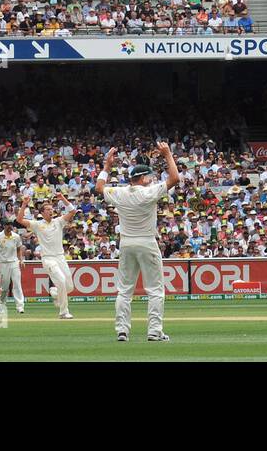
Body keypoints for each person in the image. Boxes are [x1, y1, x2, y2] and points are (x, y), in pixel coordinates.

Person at [96, 142, 179, 342]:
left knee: (124, 290)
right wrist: (167, 154)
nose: (151, 180)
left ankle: (122, 331)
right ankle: (154, 331)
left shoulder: (120, 193)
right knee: (155, 290)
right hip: (147, 242)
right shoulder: (147, 192)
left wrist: (107, 167)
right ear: (141, 179)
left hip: (126, 244)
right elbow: (175, 178)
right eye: (149, 177)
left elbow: (99, 187)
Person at [17, 199, 76, 319]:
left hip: (60, 257)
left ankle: (54, 291)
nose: (51, 211)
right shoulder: (37, 224)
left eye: (52, 209)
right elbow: (19, 220)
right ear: (42, 213)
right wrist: (23, 205)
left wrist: (62, 198)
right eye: (48, 209)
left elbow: (73, 211)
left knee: (69, 287)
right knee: (61, 281)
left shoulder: (58, 221)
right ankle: (63, 312)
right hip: (48, 259)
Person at [0, 219, 25, 313]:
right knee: (4, 287)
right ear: (3, 225)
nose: (9, 226)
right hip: (3, 263)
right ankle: (2, 304)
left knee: (17, 284)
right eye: (7, 225)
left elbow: (19, 249)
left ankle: (20, 307)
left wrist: (21, 260)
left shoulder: (16, 236)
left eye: (11, 225)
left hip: (14, 263)